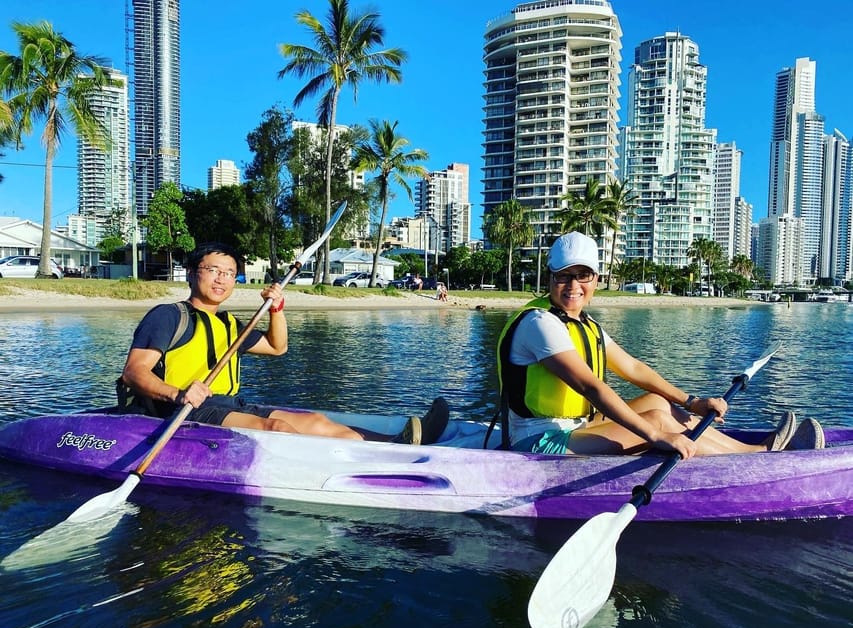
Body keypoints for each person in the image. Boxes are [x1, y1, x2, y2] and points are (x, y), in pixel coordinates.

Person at [496, 231, 825, 457]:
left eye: (582, 275)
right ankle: (759, 456)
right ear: (550, 277)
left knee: (659, 402)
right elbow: (591, 387)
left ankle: (746, 448)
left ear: (595, 278)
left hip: (578, 426)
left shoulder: (585, 324)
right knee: (657, 422)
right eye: (562, 275)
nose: (573, 285)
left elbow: (633, 368)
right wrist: (655, 436)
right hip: (538, 442)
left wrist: (692, 401)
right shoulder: (540, 324)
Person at [118, 242, 448, 445]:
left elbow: (277, 347)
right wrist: (178, 393)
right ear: (192, 273)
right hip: (179, 410)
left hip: (226, 404)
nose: (221, 279)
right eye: (213, 270)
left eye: (230, 273)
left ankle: (398, 445)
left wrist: (276, 310)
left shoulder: (228, 323)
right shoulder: (168, 316)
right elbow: (134, 373)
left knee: (316, 422)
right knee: (277, 428)